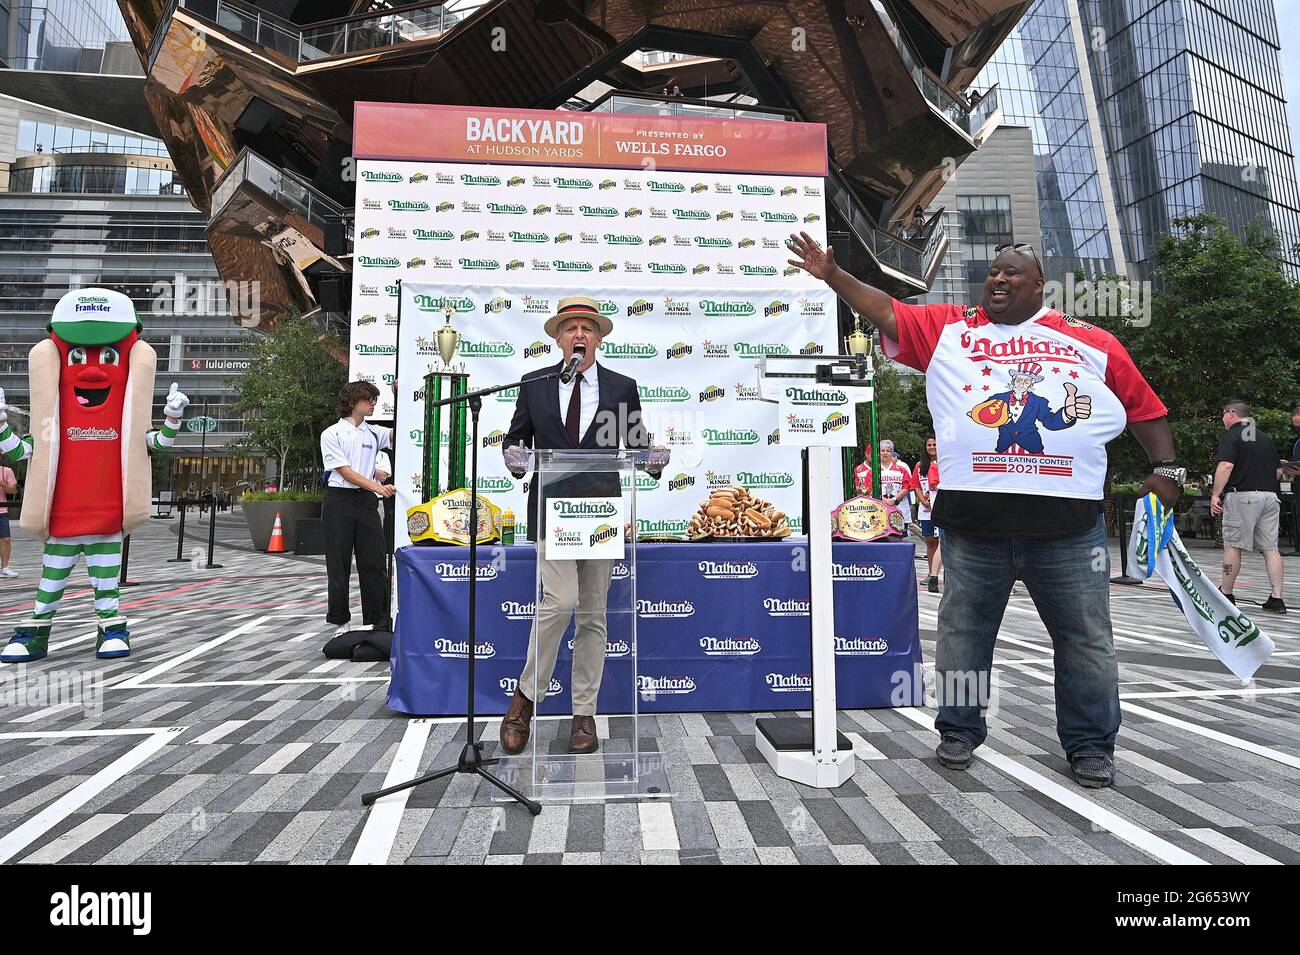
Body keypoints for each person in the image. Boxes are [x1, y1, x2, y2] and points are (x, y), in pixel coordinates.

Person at [788, 232, 1180, 789]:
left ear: (1039, 285)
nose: (997, 279)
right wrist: (834, 277)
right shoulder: (952, 328)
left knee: (1085, 640)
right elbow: (889, 311)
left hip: (1067, 530)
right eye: (992, 273)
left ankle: (1092, 745)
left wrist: (1167, 468)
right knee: (964, 634)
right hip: (974, 530)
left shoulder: (1091, 340)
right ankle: (959, 729)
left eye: (1012, 273)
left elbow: (1144, 408)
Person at [499, 295, 650, 756]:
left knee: (592, 616)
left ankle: (583, 713)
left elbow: (636, 443)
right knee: (559, 602)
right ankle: (526, 697)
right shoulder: (535, 383)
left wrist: (654, 459)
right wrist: (514, 457)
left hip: (600, 514)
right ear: (559, 338)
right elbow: (515, 439)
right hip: (553, 512)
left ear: (599, 338)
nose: (579, 334)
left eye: (587, 327)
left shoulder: (622, 386)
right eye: (570, 328)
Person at [319, 381, 396, 638]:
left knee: (375, 562)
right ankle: (340, 622)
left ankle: (379, 621)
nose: (373, 403)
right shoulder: (331, 433)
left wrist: (399, 397)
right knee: (338, 564)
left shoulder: (374, 432)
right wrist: (378, 486)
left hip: (366, 503)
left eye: (375, 399)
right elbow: (345, 472)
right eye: (369, 399)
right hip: (338, 501)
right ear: (353, 402)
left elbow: (403, 429)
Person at [1211, 400, 1286, 613]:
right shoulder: (1264, 438)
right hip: (1270, 497)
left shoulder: (1232, 435)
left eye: (1223, 415)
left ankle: (1226, 592)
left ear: (1231, 413)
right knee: (1271, 548)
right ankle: (1276, 598)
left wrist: (1216, 494)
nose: (1223, 419)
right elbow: (1278, 472)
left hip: (1243, 497)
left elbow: (1226, 465)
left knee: (1233, 546)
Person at [854, 439, 915, 522]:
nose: (885, 453)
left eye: (888, 451)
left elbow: (907, 487)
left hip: (900, 510)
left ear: (892, 453)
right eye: (882, 451)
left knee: (901, 534)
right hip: (879, 511)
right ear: (878, 453)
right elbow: (869, 489)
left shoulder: (901, 470)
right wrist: (885, 501)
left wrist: (894, 500)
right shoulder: (873, 472)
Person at [915, 435, 942, 593]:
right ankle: (931, 573)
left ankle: (937, 574)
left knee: (943, 543)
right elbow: (915, 485)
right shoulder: (920, 465)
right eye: (929, 445)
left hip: (940, 508)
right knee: (931, 543)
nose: (932, 447)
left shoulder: (945, 462)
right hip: (926, 510)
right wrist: (923, 501)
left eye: (934, 444)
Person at [0, 463, 16, 577]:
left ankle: (5, 568)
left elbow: (12, 490)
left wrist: (2, 483)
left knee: (6, 539)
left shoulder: (6, 471)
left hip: (2, 510)